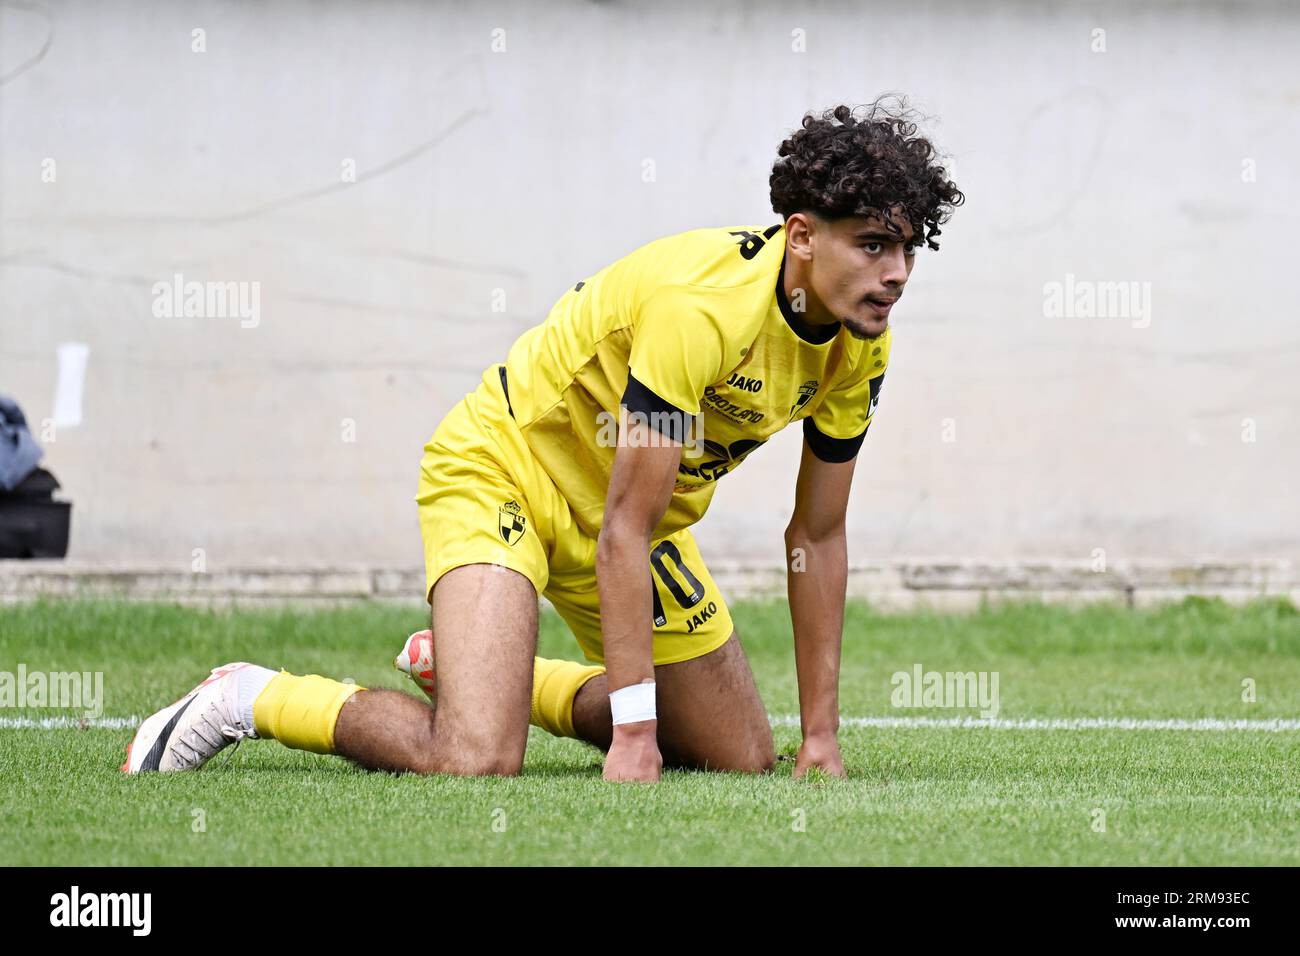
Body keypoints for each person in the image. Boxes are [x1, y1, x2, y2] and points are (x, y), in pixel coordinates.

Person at [123, 99, 963, 784]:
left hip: (634, 516)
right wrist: (632, 735)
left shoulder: (862, 344)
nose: (895, 273)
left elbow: (817, 533)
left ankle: (484, 671)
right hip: (509, 470)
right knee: (475, 761)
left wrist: (821, 735)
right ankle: (251, 697)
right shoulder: (698, 311)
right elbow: (623, 529)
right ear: (802, 235)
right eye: (872, 244)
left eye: (907, 249)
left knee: (738, 757)